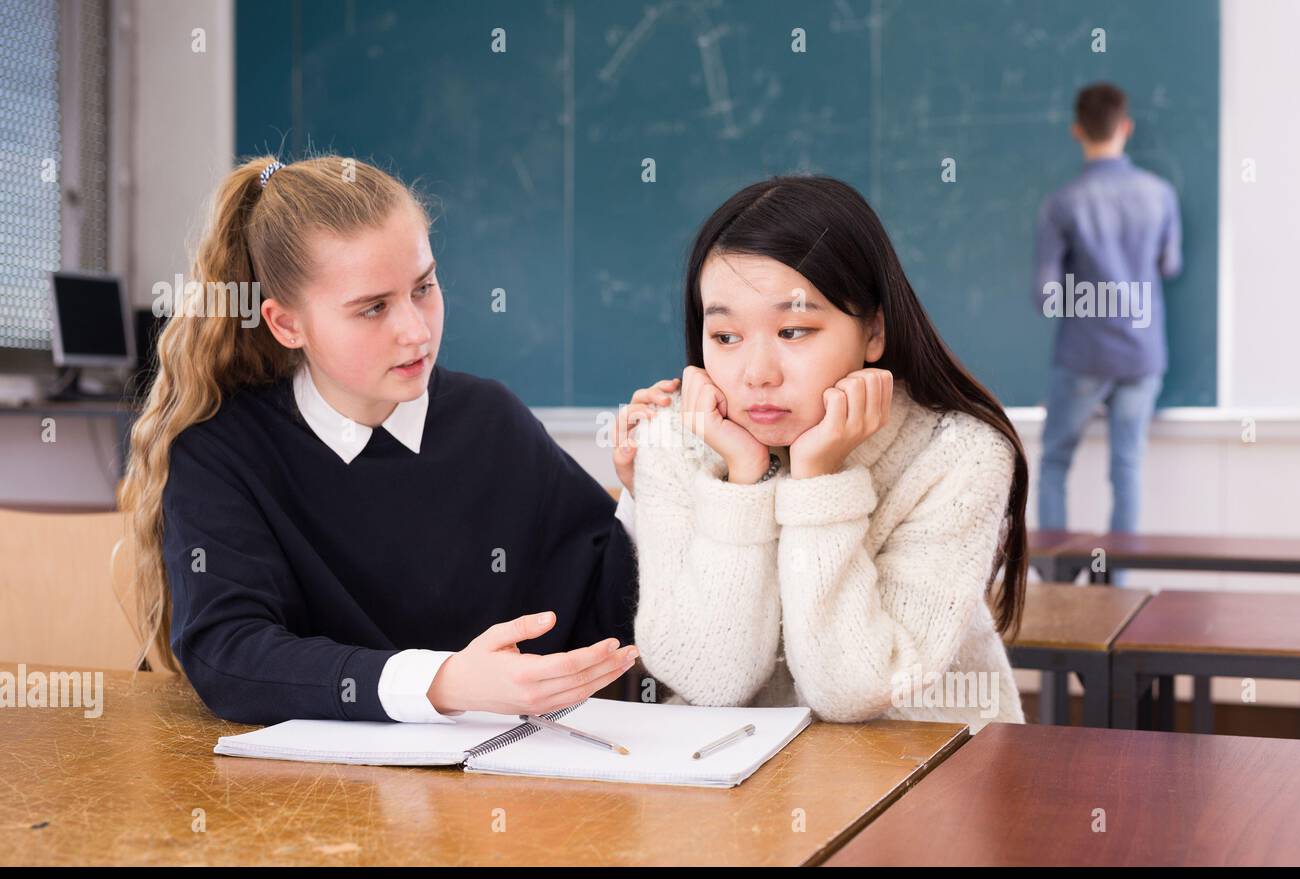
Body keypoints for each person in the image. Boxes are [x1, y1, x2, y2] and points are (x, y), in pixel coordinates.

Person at [117, 155, 639, 726]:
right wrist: (441, 683)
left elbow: (602, 605)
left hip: (497, 786)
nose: (416, 331)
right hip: (308, 802)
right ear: (288, 324)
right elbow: (230, 656)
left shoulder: (491, 419)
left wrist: (645, 494)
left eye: (425, 287)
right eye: (372, 308)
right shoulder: (223, 453)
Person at [612, 175, 1028, 732]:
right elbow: (709, 680)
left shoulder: (961, 455)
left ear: (873, 332)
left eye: (794, 330)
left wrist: (818, 477)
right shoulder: (677, 440)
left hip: (925, 774)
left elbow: (854, 691)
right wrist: (743, 478)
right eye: (726, 338)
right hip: (739, 790)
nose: (757, 374)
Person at [1034, 82, 1183, 585]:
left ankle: (1056, 583)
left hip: (1083, 356)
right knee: (1127, 467)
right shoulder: (1159, 194)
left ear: (1078, 130)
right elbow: (1169, 263)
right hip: (1142, 356)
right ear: (1126, 127)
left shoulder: (1062, 203)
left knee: (1054, 460)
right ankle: (1115, 585)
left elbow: (1046, 295)